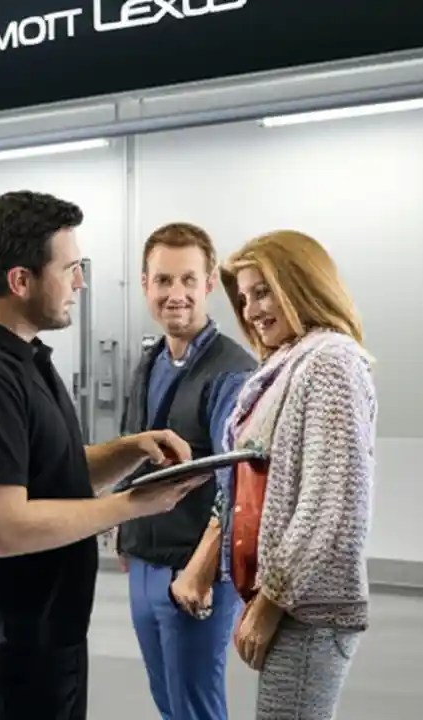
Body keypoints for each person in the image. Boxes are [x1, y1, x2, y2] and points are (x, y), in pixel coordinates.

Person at [0, 190, 210, 720]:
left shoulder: (25, 358)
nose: (80, 282)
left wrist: (130, 451)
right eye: (70, 268)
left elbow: (44, 470)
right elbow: (6, 526)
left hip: (48, 639)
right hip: (6, 656)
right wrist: (132, 505)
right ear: (20, 280)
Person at [183, 229, 376, 719]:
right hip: (286, 601)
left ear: (302, 283)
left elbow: (330, 503)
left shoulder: (329, 361)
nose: (249, 310)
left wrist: (270, 604)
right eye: (244, 297)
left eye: (263, 290)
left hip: (305, 608)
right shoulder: (288, 364)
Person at [115, 223, 256, 720]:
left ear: (210, 284)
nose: (175, 295)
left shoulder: (232, 372)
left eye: (188, 281)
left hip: (195, 571)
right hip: (145, 561)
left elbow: (237, 481)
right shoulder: (150, 361)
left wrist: (199, 571)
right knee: (169, 703)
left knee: (195, 707)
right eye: (163, 280)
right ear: (145, 284)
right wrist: (124, 534)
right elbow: (135, 453)